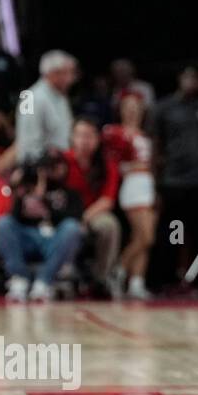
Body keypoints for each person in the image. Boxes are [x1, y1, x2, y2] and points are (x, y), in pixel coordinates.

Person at [150, 63, 198, 287]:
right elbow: (155, 147)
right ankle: (169, 278)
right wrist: (155, 185)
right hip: (173, 182)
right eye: (187, 76)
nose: (191, 81)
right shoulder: (164, 107)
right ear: (180, 78)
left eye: (195, 78)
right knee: (175, 232)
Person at [0, 151, 84, 302]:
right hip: (27, 238)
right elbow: (14, 216)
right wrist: (22, 188)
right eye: (49, 165)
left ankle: (44, 281)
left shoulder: (71, 193)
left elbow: (75, 218)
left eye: (58, 164)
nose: (54, 169)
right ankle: (19, 278)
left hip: (53, 240)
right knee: (3, 223)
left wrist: (47, 209)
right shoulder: (26, 190)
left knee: (72, 228)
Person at [104, 92, 156, 299]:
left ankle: (136, 283)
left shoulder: (145, 135)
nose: (132, 110)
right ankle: (118, 269)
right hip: (133, 184)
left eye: (136, 106)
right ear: (121, 109)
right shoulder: (115, 132)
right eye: (128, 106)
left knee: (140, 237)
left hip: (148, 184)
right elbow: (114, 163)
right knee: (146, 237)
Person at [63, 117, 121, 296]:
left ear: (97, 140)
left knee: (109, 225)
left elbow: (107, 201)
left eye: (89, 136)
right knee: (66, 227)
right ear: (72, 137)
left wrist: (84, 218)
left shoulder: (107, 165)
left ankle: (101, 278)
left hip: (92, 213)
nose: (84, 141)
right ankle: (62, 277)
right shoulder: (62, 161)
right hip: (65, 213)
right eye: (80, 135)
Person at [14, 50, 76, 164]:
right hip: (40, 167)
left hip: (61, 164)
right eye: (67, 73)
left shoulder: (61, 97)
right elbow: (28, 143)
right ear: (53, 73)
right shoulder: (30, 97)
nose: (71, 79)